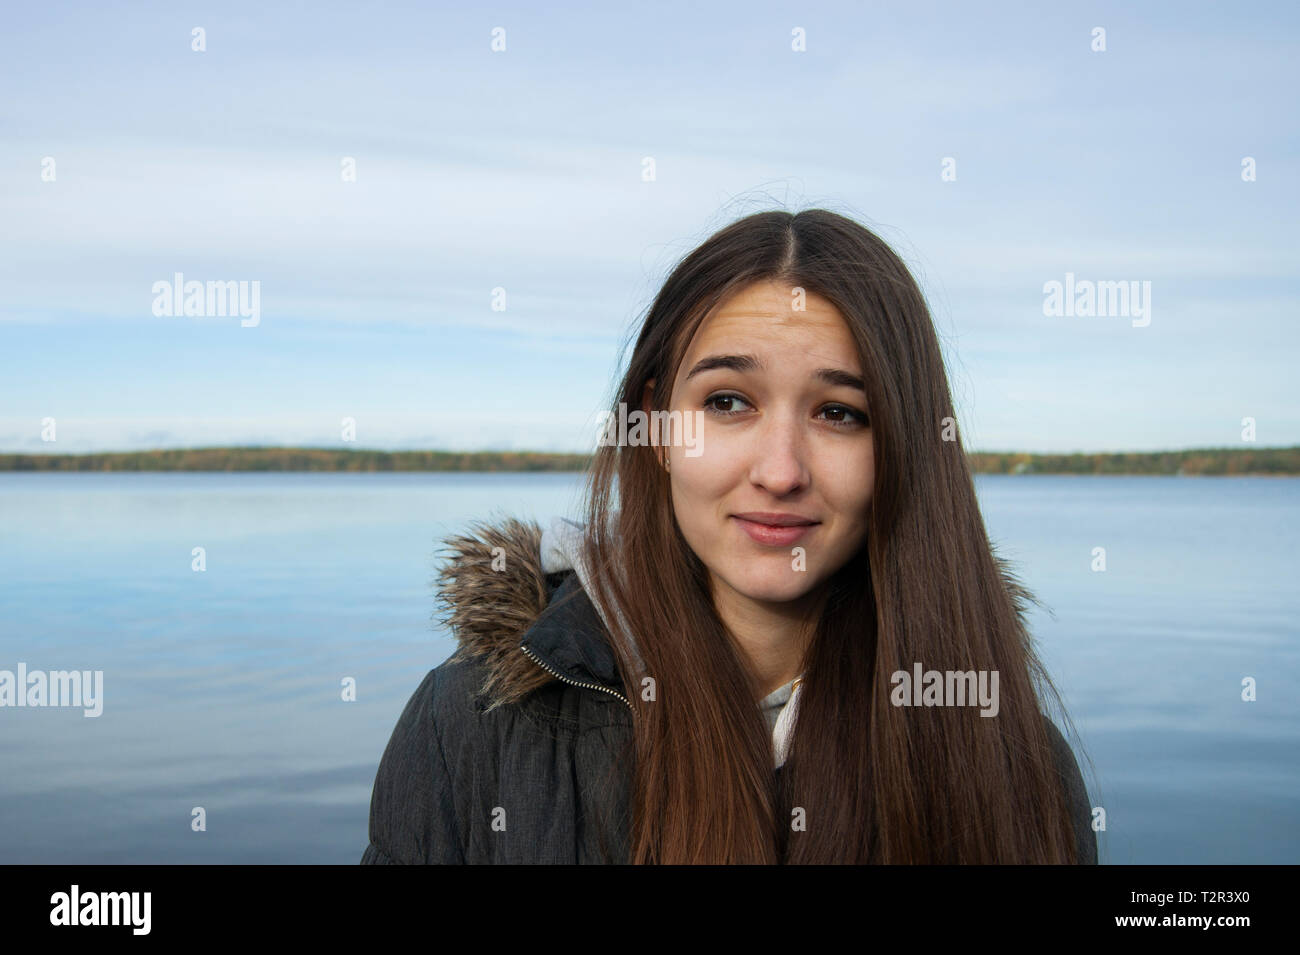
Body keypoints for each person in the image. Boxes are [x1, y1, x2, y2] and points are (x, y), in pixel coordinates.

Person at [361, 208, 1098, 864]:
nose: (780, 471)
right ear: (655, 425)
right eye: (727, 401)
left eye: (840, 412)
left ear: (905, 445)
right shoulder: (466, 727)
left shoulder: (1005, 755)